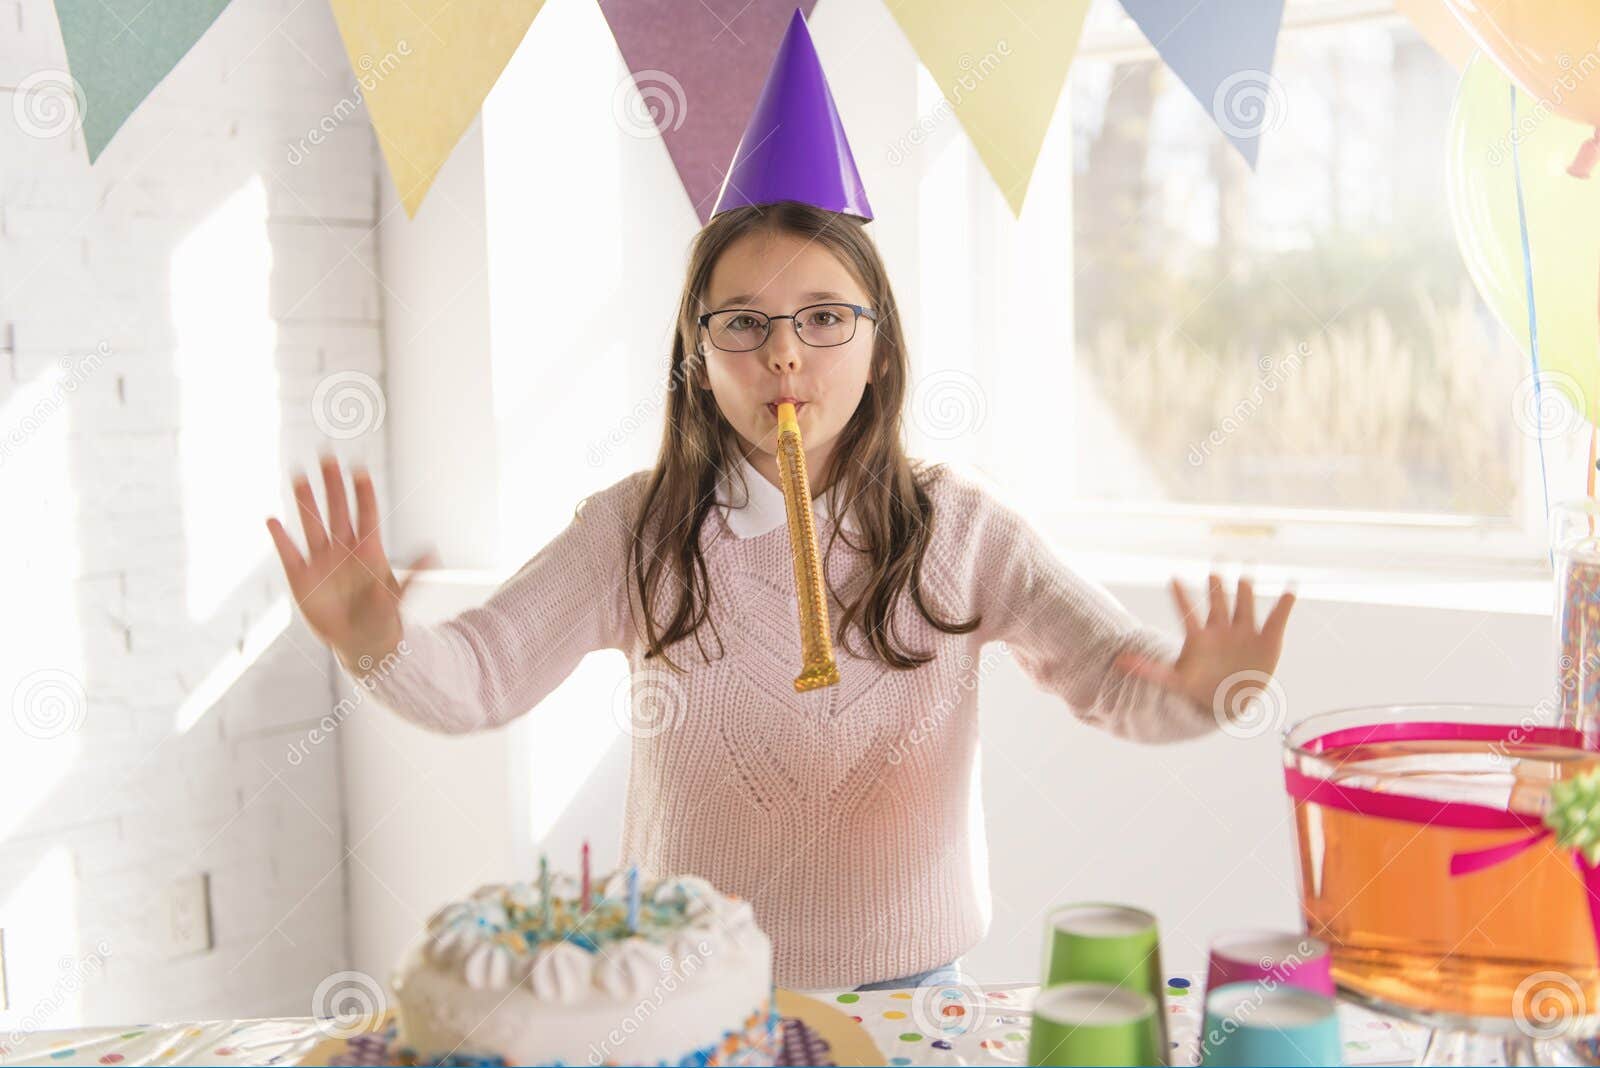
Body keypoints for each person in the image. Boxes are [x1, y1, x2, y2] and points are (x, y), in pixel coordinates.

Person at [265, 12, 1293, 992]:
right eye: (743, 324)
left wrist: (1205, 692)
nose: (785, 354)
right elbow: (479, 677)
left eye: (823, 317)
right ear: (698, 357)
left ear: (879, 341)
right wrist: (377, 643)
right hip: (680, 987)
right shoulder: (633, 530)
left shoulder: (967, 533)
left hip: (912, 986)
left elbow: (1118, 682)